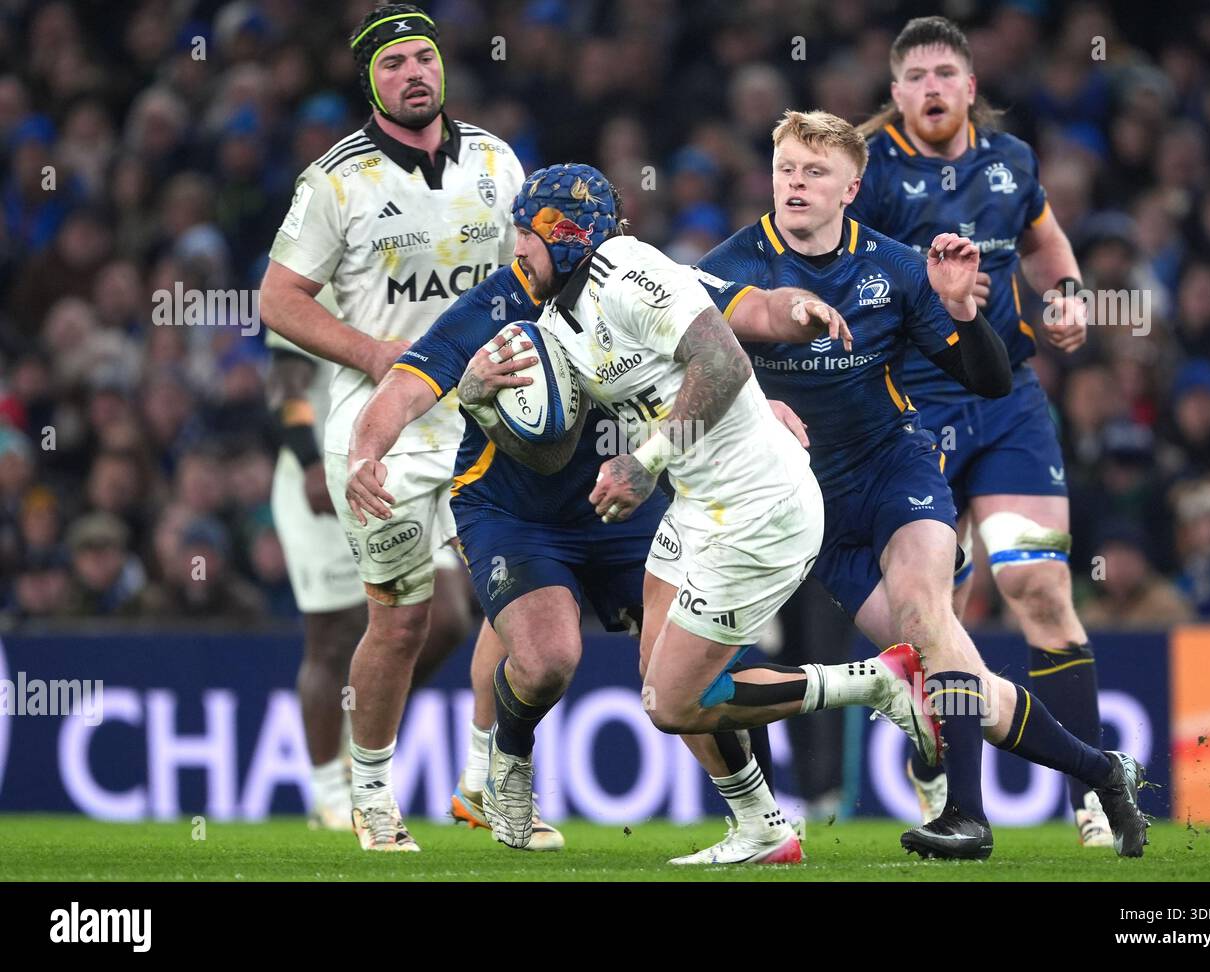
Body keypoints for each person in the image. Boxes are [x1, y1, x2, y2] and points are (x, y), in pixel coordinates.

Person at [345, 171, 939, 865]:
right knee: (643, 675)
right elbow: (469, 402)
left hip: (746, 505)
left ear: (566, 238)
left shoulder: (628, 273)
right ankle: (761, 828)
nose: (517, 252)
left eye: (528, 236)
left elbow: (722, 346)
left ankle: (876, 683)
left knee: (673, 699)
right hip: (673, 502)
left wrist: (665, 446)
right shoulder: (548, 308)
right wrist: (396, 438)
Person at [698, 110, 1149, 859]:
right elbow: (693, 370)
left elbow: (989, 378)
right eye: (786, 170)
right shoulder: (730, 267)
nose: (797, 184)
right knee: (950, 665)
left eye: (815, 172)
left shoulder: (897, 266)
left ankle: (965, 818)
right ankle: (1102, 769)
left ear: (853, 186)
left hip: (898, 471)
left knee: (926, 610)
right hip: (812, 513)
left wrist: (963, 311)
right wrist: (754, 402)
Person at [259, 4, 534, 851]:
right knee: (401, 619)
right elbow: (276, 301)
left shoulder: (496, 161)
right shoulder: (334, 181)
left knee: (519, 600)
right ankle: (367, 796)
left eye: (423, 59)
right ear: (369, 81)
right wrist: (376, 353)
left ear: (442, 69)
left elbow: (536, 273)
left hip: (487, 415)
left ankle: (487, 783)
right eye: (392, 64)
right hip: (382, 429)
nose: (412, 73)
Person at [851, 16, 1111, 845]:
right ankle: (944, 773)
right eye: (915, 75)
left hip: (1005, 404)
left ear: (971, 88)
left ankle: (1093, 794)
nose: (931, 87)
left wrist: (1066, 292)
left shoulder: (1012, 163)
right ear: (894, 94)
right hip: (910, 407)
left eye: (945, 74)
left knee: (1038, 587)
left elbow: (1043, 239)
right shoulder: (868, 173)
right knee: (937, 612)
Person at [264, 285, 368, 831]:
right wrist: (307, 459)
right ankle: (328, 790)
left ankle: (363, 737)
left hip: (388, 476)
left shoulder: (418, 257)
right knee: (331, 637)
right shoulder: (311, 283)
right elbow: (286, 386)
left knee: (436, 618)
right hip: (320, 483)